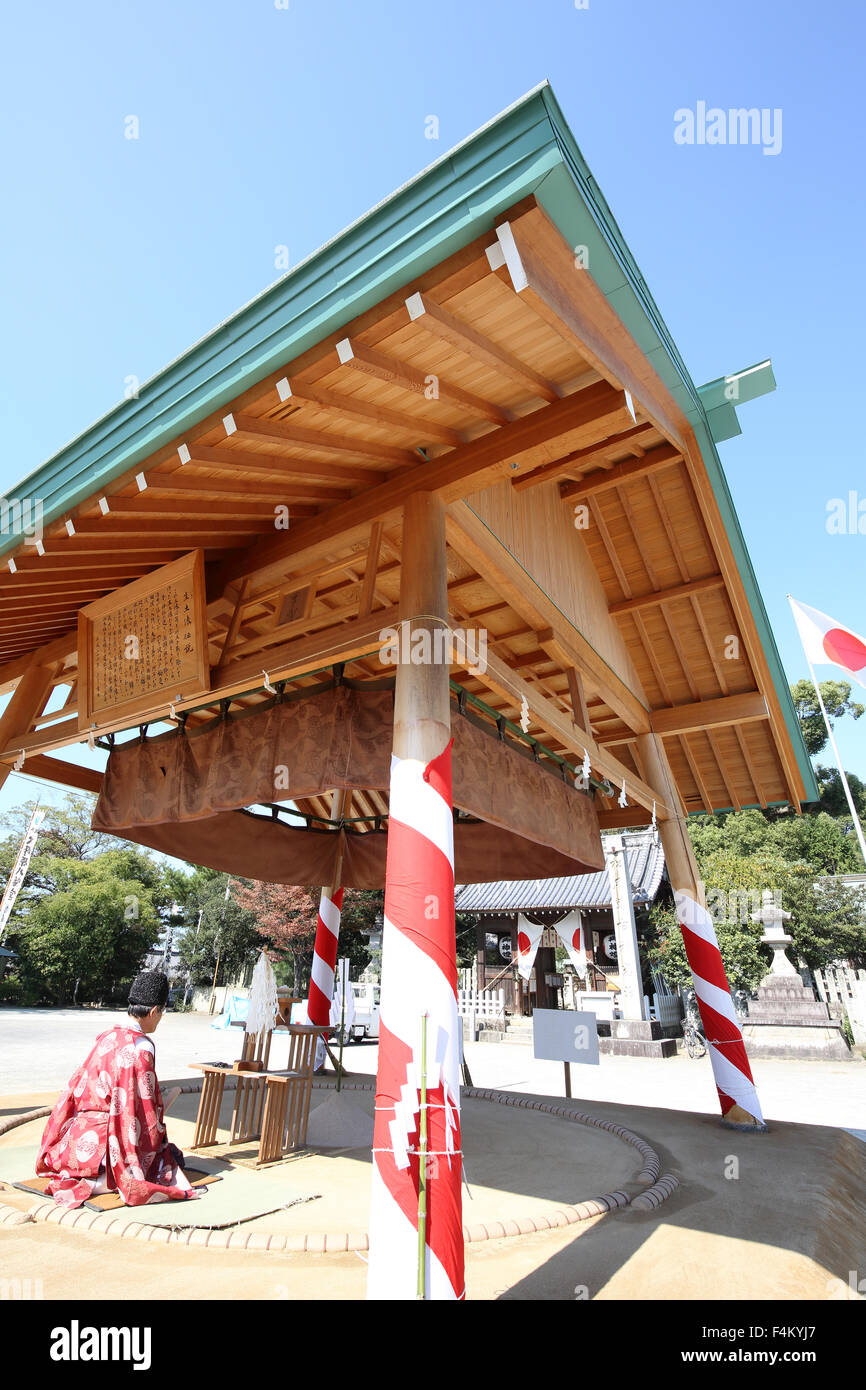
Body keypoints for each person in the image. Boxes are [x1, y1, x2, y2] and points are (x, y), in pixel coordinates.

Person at [36, 970, 201, 1209]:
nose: (160, 1018)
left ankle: (81, 1174)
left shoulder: (106, 1037)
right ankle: (102, 1179)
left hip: (77, 1137)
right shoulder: (142, 1046)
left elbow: (78, 1086)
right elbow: (143, 1107)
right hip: (110, 1142)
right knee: (165, 1159)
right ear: (155, 1011)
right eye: (162, 1012)